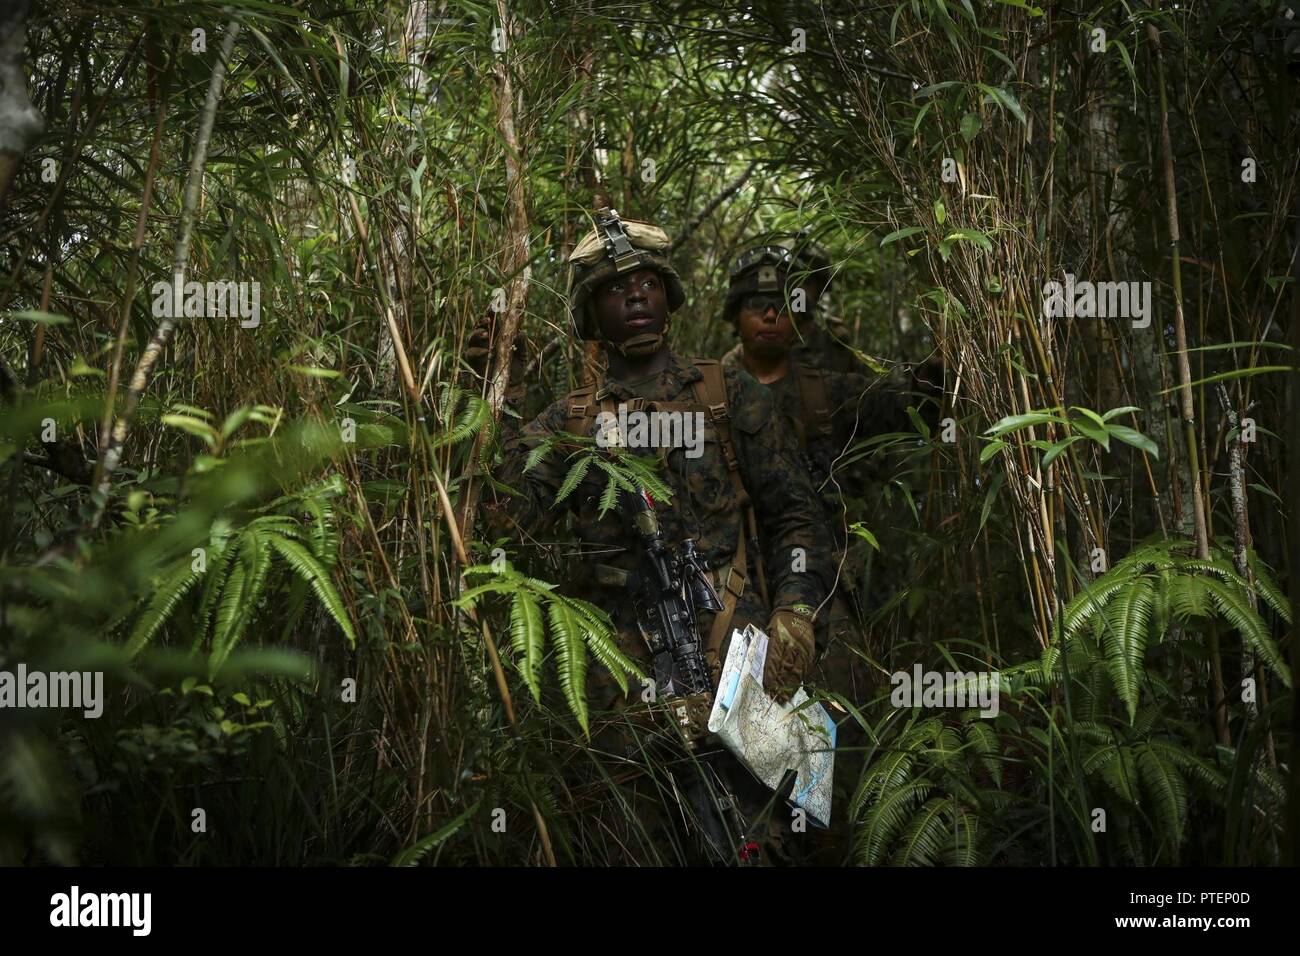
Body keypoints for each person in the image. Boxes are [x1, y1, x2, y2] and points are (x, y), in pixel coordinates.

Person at [472, 209, 834, 863]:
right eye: (614, 287)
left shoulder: (731, 396)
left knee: (772, 835)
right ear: (591, 311)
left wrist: (796, 614)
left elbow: (795, 516)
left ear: (668, 293)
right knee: (636, 841)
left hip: (744, 663)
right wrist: (497, 394)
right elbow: (504, 523)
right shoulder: (568, 425)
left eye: (645, 281)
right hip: (624, 686)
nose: (634, 294)